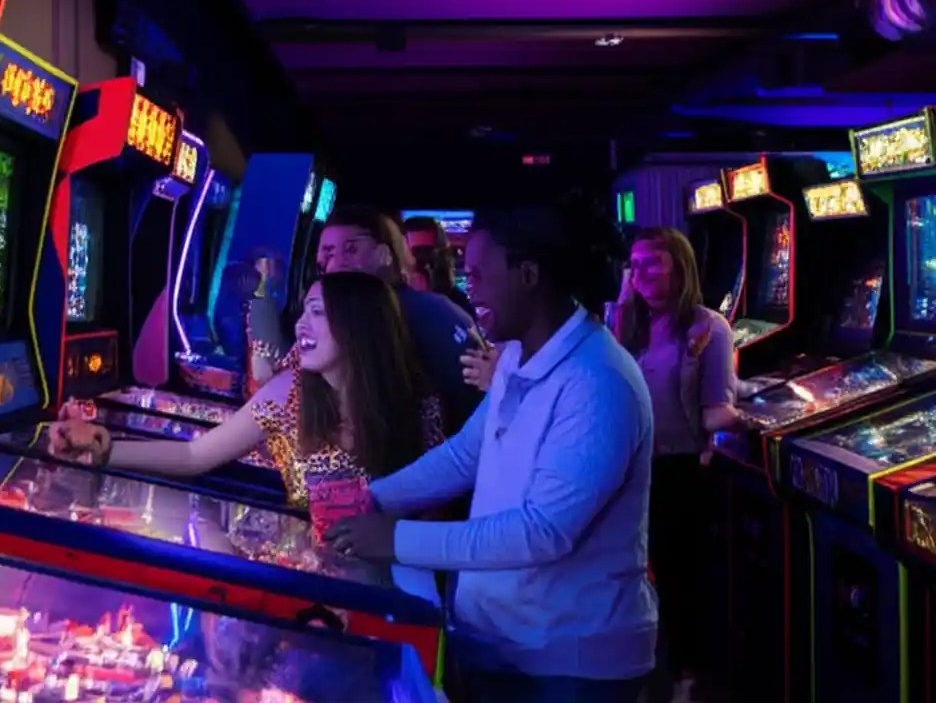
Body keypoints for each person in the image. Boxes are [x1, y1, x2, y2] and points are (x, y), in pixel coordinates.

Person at [326, 201, 656, 703]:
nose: (469, 285)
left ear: (529, 275)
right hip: (501, 638)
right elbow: (466, 455)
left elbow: (542, 532)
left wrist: (396, 539)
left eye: (479, 272)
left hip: (571, 661)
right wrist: (370, 499)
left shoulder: (598, 380)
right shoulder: (519, 357)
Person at [50, 271, 444, 509]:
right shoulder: (289, 395)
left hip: (390, 578)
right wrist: (102, 446)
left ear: (360, 328)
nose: (303, 325)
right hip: (312, 573)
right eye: (304, 311)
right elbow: (193, 455)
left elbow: (435, 506)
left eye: (319, 313)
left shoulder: (417, 404)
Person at [613, 226, 738, 703]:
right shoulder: (629, 325)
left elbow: (715, 411)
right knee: (636, 579)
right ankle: (647, 671)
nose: (640, 273)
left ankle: (686, 678)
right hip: (634, 470)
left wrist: (761, 419)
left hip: (683, 471)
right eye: (634, 264)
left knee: (680, 578)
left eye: (652, 262)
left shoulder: (708, 327)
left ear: (679, 266)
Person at [294, 205, 484, 431]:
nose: (336, 265)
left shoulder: (394, 317)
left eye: (351, 250)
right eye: (328, 254)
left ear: (384, 254)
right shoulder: (426, 305)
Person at [403, 215, 476, 317]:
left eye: (427, 252)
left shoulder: (459, 304)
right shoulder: (391, 305)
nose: (423, 263)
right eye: (416, 252)